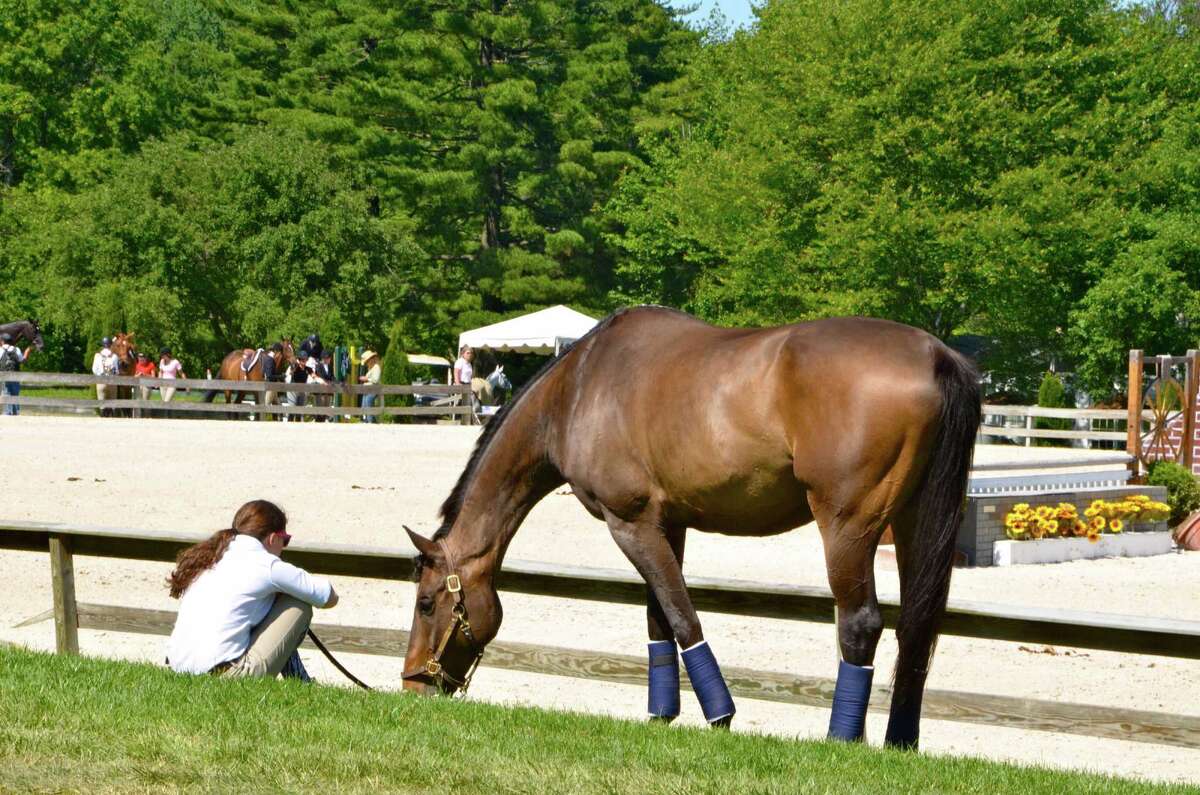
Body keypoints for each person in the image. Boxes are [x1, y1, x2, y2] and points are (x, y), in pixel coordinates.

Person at [166, 499, 338, 680]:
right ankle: (299, 681)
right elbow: (328, 597)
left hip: (178, 670)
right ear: (273, 538)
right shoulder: (267, 564)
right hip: (227, 676)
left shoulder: (211, 556)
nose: (284, 547)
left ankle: (300, 681)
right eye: (285, 540)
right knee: (298, 603)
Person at [0, 332, 32, 416]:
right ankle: (16, 413)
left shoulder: (0, 350)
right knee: (15, 394)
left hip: (4, 377)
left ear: (2, 341)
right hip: (15, 376)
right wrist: (27, 352)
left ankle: (8, 413)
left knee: (6, 394)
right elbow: (23, 360)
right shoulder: (16, 349)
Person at [91, 337, 121, 406]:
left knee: (102, 404)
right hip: (112, 381)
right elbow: (117, 371)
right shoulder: (114, 356)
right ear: (110, 345)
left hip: (101, 381)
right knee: (112, 404)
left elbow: (94, 370)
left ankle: (103, 414)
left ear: (102, 345)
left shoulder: (97, 355)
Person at [358, 349, 381, 423]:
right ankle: (367, 420)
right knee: (364, 405)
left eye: (367, 361)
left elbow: (376, 379)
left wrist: (366, 378)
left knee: (368, 403)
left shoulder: (376, 367)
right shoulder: (371, 368)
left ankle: (370, 421)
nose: (367, 363)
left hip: (373, 389)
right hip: (367, 390)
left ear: (371, 359)